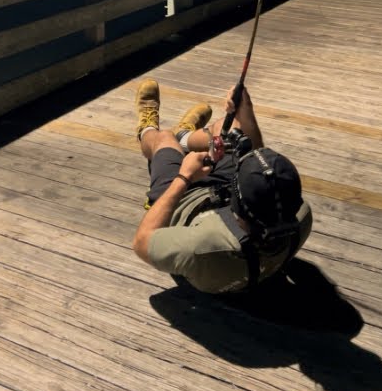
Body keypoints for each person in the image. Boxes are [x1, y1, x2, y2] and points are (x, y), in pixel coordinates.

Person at [130, 78, 313, 294]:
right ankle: (185, 136)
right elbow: (257, 164)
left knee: (164, 140)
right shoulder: (300, 217)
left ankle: (148, 129)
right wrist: (246, 110)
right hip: (223, 202)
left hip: (184, 203)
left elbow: (141, 243)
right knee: (230, 129)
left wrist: (185, 177)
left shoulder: (203, 247)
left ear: (237, 197)